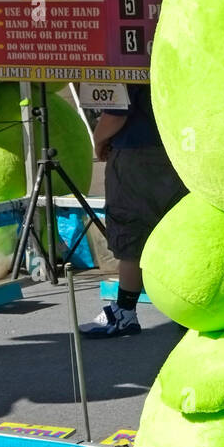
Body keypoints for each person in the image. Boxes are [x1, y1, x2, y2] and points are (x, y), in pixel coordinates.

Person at [80, 84, 185, 337]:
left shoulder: (127, 58)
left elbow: (116, 113)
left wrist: (98, 141)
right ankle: (187, 308)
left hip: (135, 156)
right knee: (178, 229)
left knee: (131, 230)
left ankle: (125, 312)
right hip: (179, 150)